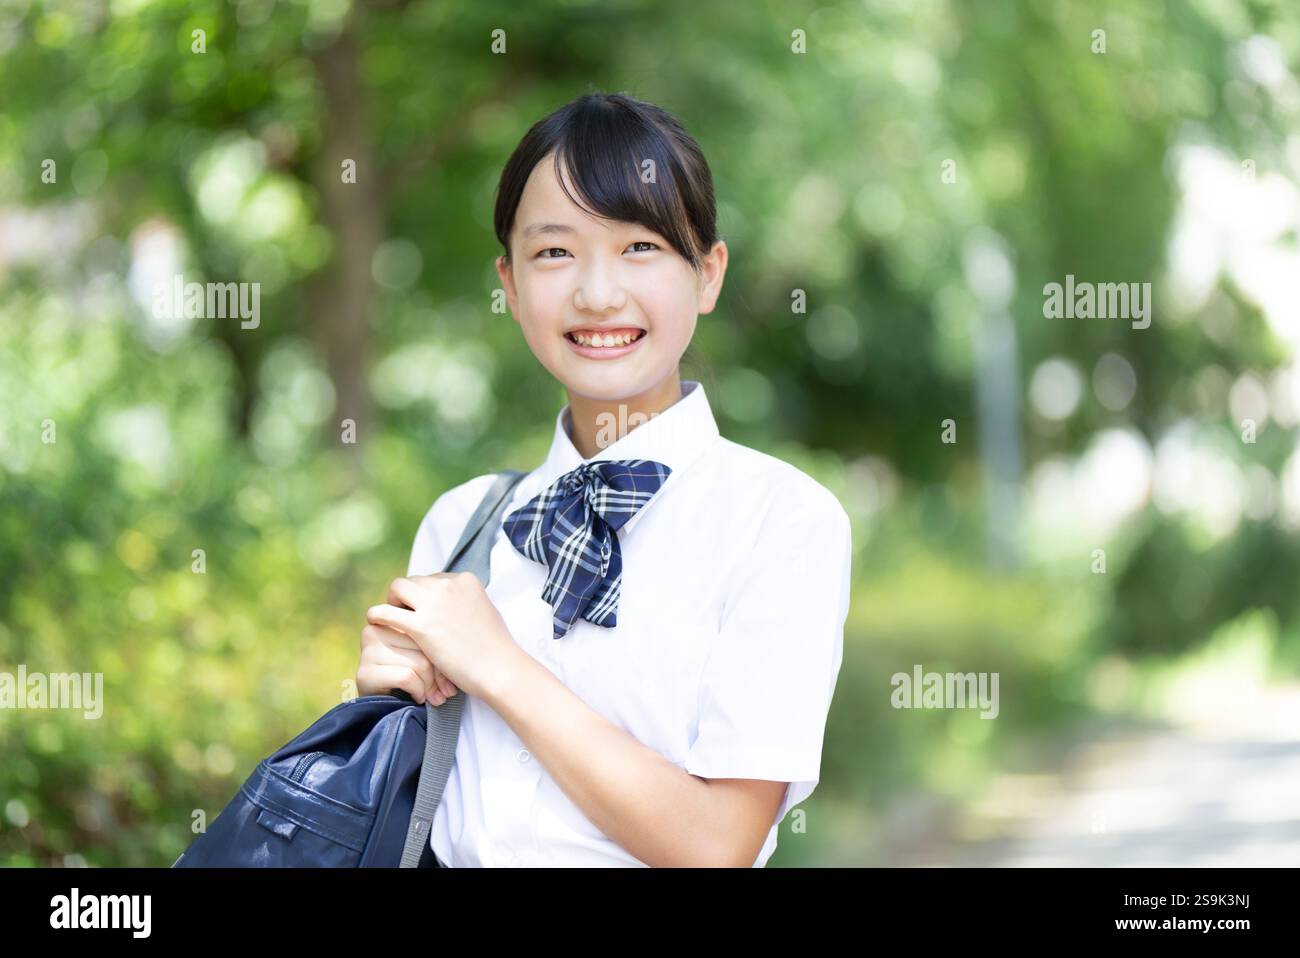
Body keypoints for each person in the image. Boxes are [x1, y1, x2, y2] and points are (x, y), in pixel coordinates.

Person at [356, 91, 853, 867]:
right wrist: (382, 702)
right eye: (554, 252)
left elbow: (716, 846)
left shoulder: (782, 522)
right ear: (511, 285)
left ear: (708, 275)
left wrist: (498, 665)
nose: (597, 293)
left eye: (640, 248)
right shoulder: (463, 523)